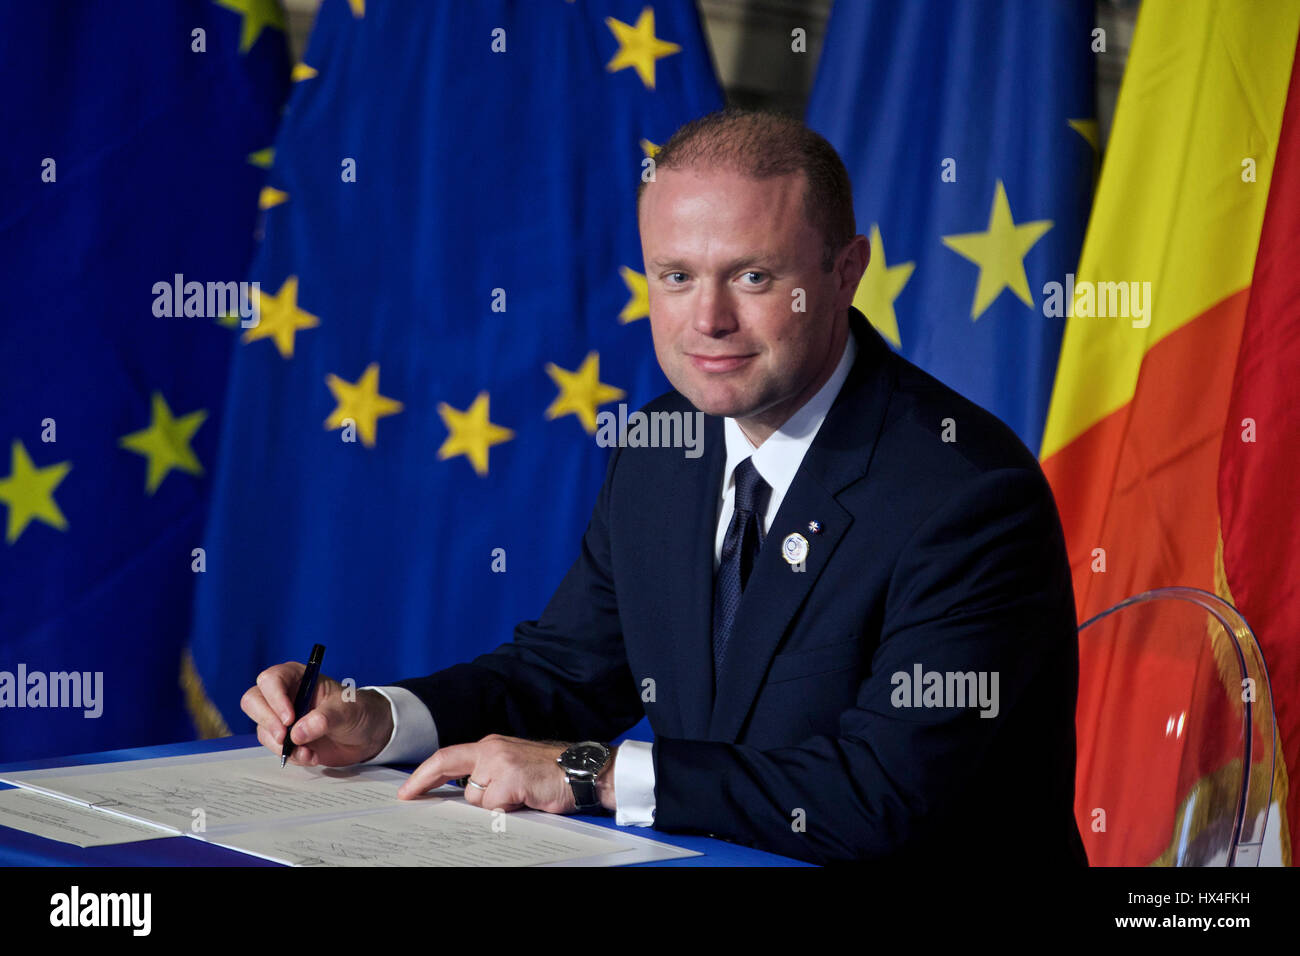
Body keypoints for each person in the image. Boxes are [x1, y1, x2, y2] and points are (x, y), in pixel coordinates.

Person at [241, 108, 1087, 866]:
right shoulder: (662, 444)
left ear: (845, 272)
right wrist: (377, 719)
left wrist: (589, 773)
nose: (707, 320)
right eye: (676, 276)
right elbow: (565, 674)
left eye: (753, 277)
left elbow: (884, 795)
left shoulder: (966, 495)